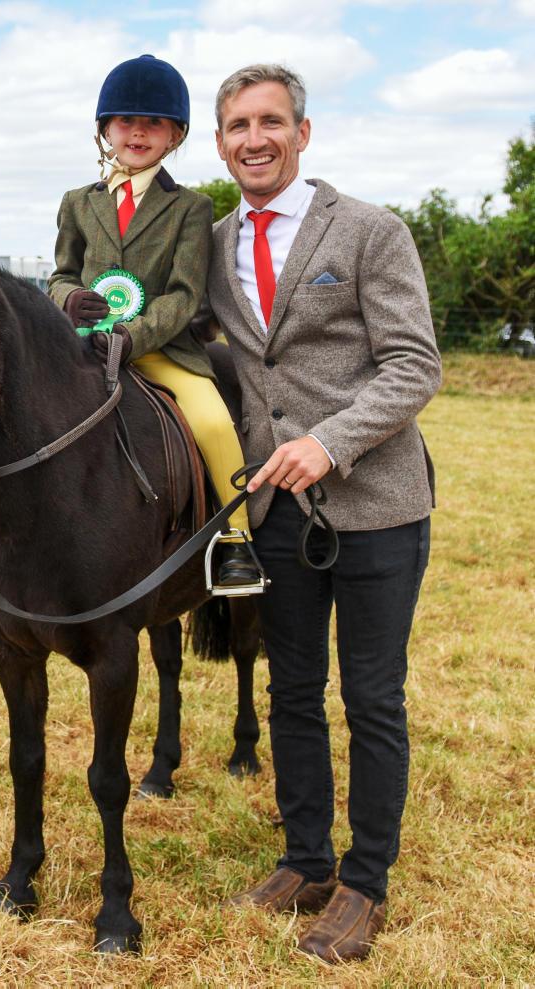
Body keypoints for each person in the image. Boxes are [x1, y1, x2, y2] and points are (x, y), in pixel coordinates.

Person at [208, 64, 441, 963]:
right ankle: (305, 858)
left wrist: (332, 442)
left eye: (270, 121)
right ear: (222, 141)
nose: (253, 139)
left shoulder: (370, 230)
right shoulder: (217, 241)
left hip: (378, 505)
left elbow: (415, 365)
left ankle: (363, 882)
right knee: (290, 693)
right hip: (276, 513)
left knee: (372, 698)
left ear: (304, 133)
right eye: (237, 125)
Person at [47, 54, 259, 588]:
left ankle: (235, 541)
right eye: (125, 121)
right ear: (105, 130)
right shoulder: (77, 203)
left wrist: (130, 335)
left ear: (175, 135)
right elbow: (60, 274)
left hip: (161, 350)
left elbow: (185, 295)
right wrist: (69, 299)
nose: (138, 132)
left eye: (154, 123)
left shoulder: (190, 208)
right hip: (81, 349)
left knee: (213, 422)